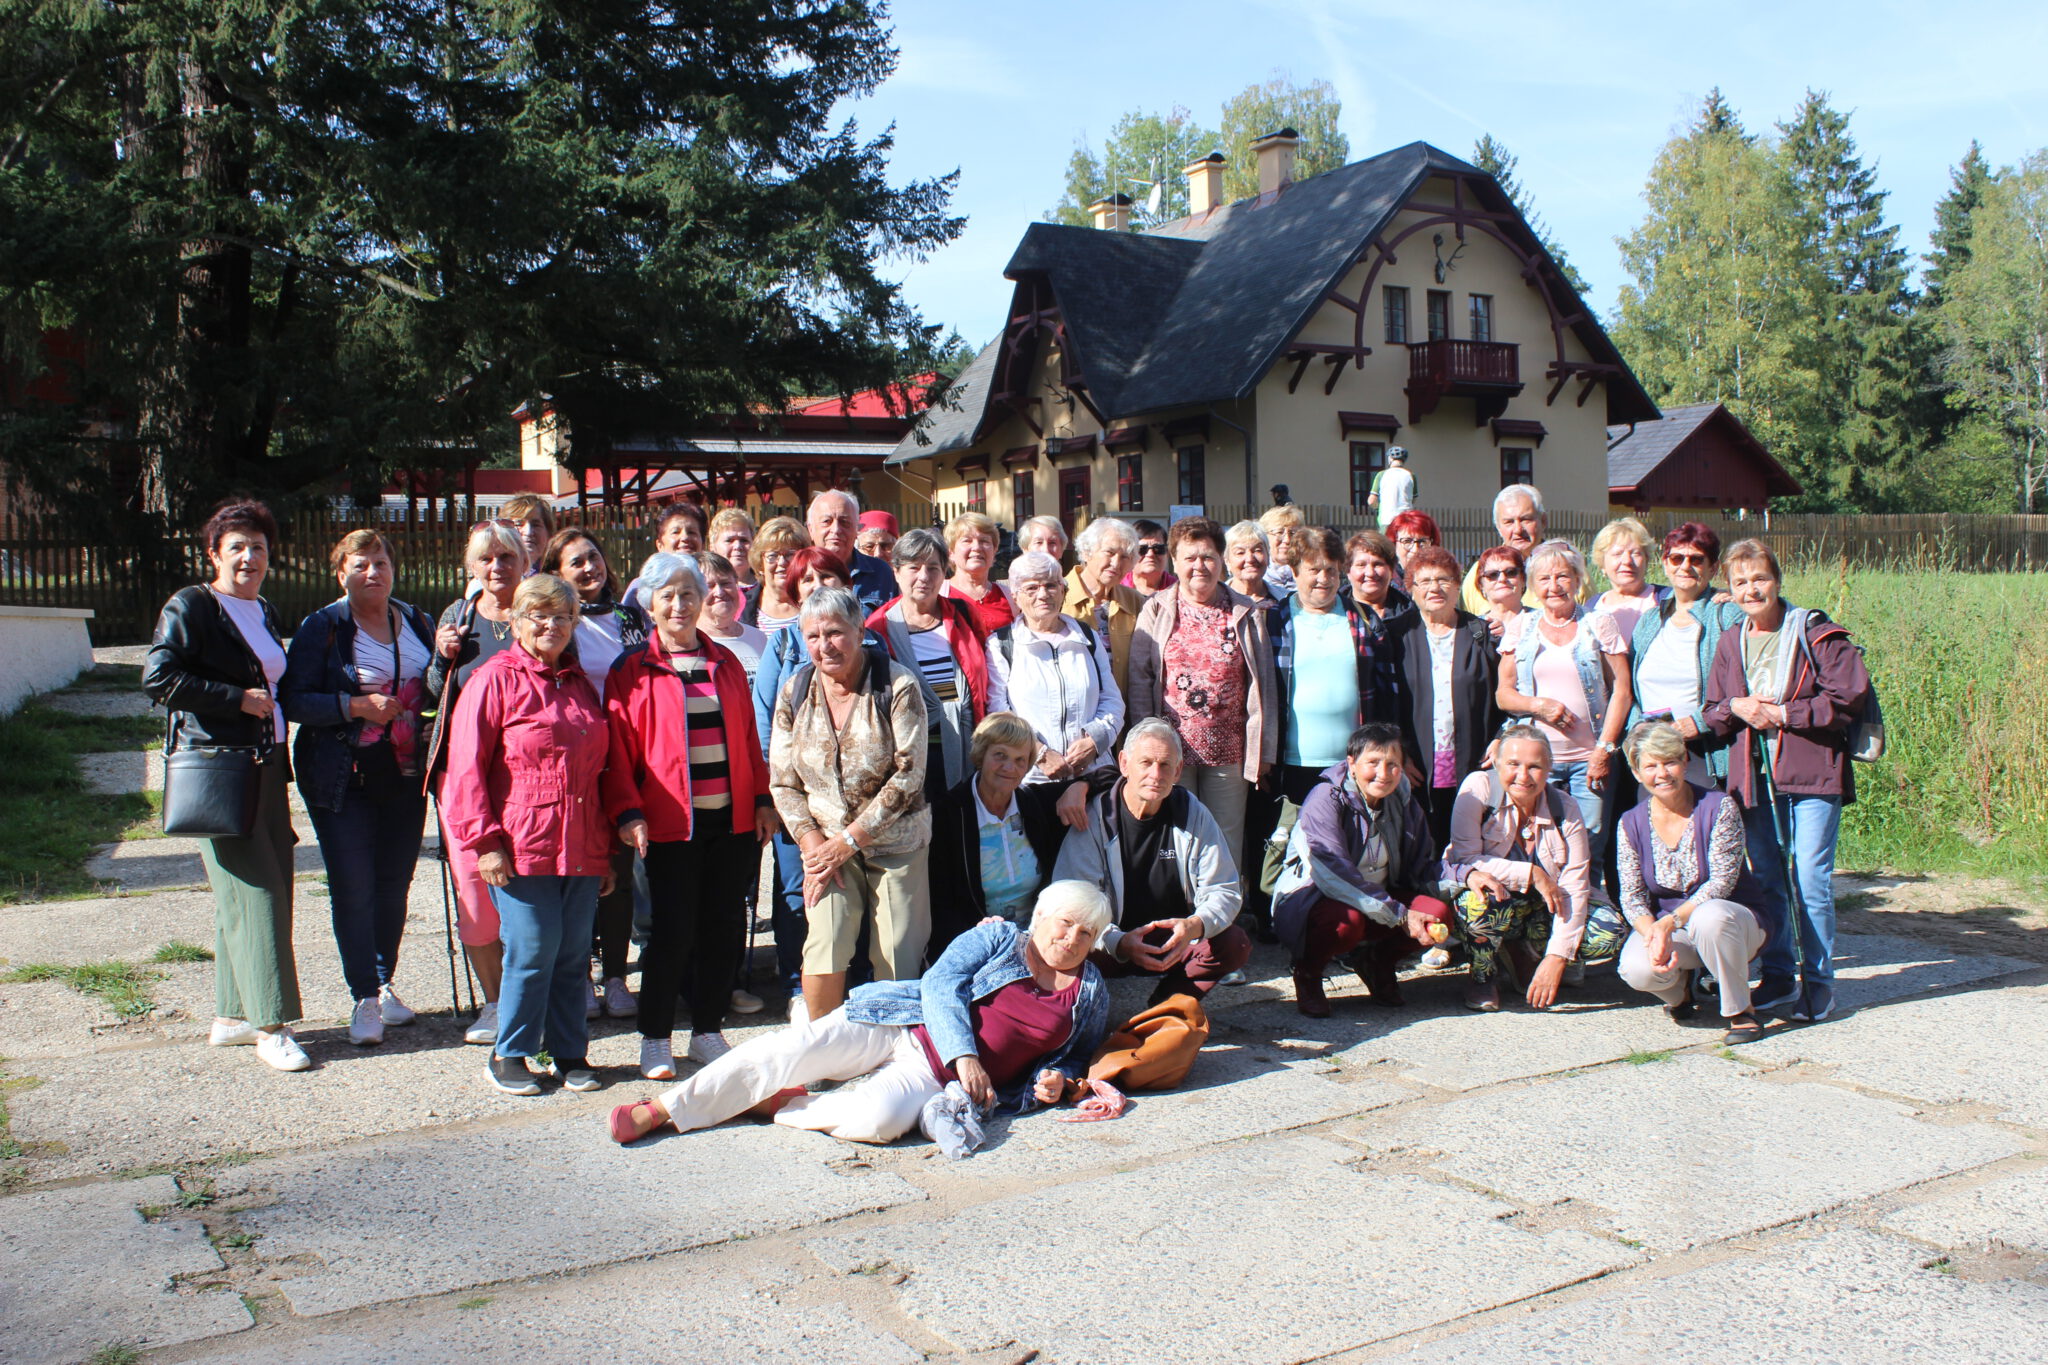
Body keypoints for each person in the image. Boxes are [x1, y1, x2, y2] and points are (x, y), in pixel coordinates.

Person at [607, 882, 1113, 1146]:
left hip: (934, 1079)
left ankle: (776, 1106)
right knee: (790, 1049)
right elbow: (940, 982)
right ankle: (664, 1110)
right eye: (1064, 924)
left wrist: (1055, 1082)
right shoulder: (1001, 937)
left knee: (876, 1122)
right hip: (901, 1022)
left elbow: (1078, 1057)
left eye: (1085, 934)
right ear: (1042, 915)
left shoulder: (1089, 994)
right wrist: (965, 1055)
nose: (1069, 940)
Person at [443, 574, 632, 1095]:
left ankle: (569, 1052)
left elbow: (600, 771)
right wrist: (483, 843)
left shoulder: (578, 684)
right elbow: (465, 770)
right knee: (531, 949)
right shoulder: (493, 679)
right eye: (539, 615)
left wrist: (606, 853)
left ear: (575, 624)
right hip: (520, 844)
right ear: (517, 621)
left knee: (572, 954)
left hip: (581, 844)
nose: (551, 625)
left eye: (563, 616)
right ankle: (511, 1052)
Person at [144, 501, 308, 1073]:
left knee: (253, 890)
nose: (248, 556)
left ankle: (233, 1015)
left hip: (264, 769)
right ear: (213, 554)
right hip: (219, 770)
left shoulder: (261, 608)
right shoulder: (192, 605)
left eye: (258, 546)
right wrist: (236, 698)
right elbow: (159, 677)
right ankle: (272, 1026)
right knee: (259, 893)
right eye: (236, 546)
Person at [606, 553, 778, 1080]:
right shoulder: (631, 669)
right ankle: (656, 1036)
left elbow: (749, 739)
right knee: (672, 931)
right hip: (668, 823)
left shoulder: (725, 662)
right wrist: (628, 811)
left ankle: (707, 1029)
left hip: (731, 822)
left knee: (723, 927)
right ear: (650, 604)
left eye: (688, 594)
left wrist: (762, 801)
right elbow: (618, 752)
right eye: (668, 595)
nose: (679, 604)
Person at [279, 529, 437, 1048]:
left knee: (394, 885)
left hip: (406, 774)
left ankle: (383, 980)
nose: (373, 572)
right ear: (340, 571)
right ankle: (363, 996)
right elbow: (295, 700)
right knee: (353, 886)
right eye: (361, 563)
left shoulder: (416, 621)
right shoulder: (322, 627)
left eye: (381, 563)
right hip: (343, 776)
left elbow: (438, 682)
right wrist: (354, 707)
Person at [1704, 539, 1871, 1026]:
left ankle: (1818, 984)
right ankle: (1778, 974)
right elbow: (1716, 709)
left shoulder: (1816, 632)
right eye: (1740, 582)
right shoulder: (1732, 640)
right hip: (1754, 779)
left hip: (1813, 773)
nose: (1751, 589)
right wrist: (1736, 707)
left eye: (1760, 578)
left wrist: (1783, 713)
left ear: (1777, 580)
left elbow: (1847, 697)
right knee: (1769, 881)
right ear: (1730, 590)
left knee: (1810, 882)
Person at [770, 587, 931, 1021]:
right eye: (814, 636)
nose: (825, 646)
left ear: (861, 632)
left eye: (836, 633)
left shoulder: (897, 685)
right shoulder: (795, 691)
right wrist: (814, 846)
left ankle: (894, 1047)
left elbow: (909, 777)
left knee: (896, 950)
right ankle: (821, 1044)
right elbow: (783, 782)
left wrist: (849, 840)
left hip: (895, 840)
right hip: (825, 845)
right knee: (826, 937)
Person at [751, 546, 876, 1001]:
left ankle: (855, 980)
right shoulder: (784, 642)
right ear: (794, 589)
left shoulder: (870, 643)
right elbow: (765, 720)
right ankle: (797, 985)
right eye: (808, 580)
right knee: (796, 890)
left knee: (851, 888)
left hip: (857, 804)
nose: (819, 587)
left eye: (829, 578)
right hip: (799, 798)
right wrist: (780, 793)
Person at [1052, 718, 1251, 1002]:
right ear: (1124, 763)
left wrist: (1194, 926)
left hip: (1175, 940)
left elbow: (1225, 889)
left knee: (1234, 943)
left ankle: (1166, 1005)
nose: (1156, 774)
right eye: (1146, 763)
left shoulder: (1192, 813)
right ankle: (1085, 1010)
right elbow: (1071, 904)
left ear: (1178, 770)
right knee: (1067, 944)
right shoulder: (1096, 817)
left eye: (1165, 765)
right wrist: (1118, 942)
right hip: (1111, 943)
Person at [422, 519, 528, 1045]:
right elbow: (434, 692)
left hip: (529, 778)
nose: (496, 567)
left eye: (506, 556)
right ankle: (495, 1002)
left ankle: (533, 996)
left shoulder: (537, 609)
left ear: (523, 561)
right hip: (465, 778)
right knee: (475, 892)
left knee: (531, 888)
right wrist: (441, 658)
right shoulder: (458, 615)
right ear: (471, 566)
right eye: (486, 559)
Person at [540, 527, 649, 1020]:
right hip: (579, 758)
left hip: (628, 754)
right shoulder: (562, 622)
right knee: (585, 869)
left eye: (593, 557)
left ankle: (616, 976)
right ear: (557, 575)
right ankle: (580, 975)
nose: (590, 568)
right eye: (576, 563)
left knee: (621, 873)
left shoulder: (631, 616)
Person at [1272, 723, 1455, 1016]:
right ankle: (1308, 973)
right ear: (1352, 764)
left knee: (1438, 913)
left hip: (1380, 898)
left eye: (1393, 764)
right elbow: (1333, 874)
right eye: (1373, 762)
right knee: (1347, 922)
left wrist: (1467, 876)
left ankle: (1376, 963)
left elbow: (1423, 864)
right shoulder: (1325, 798)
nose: (1383, 773)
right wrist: (1400, 915)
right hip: (1315, 899)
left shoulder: (1401, 800)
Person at [1127, 517, 1278, 859]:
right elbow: (1140, 680)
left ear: (1221, 560)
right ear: (1175, 562)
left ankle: (1221, 910)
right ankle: (1181, 907)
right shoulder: (1156, 609)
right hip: (1171, 751)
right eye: (1189, 557)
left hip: (1229, 750)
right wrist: (1144, 744)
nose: (1199, 566)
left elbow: (1263, 686)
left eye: (1208, 556)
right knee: (1177, 834)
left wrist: (1264, 752)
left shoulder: (1244, 611)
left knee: (1224, 839)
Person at [1615, 721, 1769, 1043]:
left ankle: (1740, 1011)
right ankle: (1680, 995)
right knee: (1635, 967)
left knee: (1708, 915)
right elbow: (1631, 897)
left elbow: (1722, 883)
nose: (1662, 773)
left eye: (1670, 761)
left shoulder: (1718, 807)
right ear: (1636, 772)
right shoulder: (1629, 823)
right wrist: (1653, 933)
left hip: (1732, 923)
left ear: (1685, 761)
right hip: (1673, 931)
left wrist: (1669, 922)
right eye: (1651, 765)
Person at [1444, 726, 1608, 1012]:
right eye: (1513, 764)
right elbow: (1464, 858)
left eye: (1534, 767)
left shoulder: (1564, 806)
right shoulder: (1479, 788)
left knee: (1609, 931)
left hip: (1538, 909)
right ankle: (1483, 976)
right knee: (1482, 900)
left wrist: (1558, 956)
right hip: (1497, 902)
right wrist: (1531, 873)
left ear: (1549, 770)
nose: (1523, 776)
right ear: (1497, 763)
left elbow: (1576, 883)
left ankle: (1528, 953)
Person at [927, 712, 1103, 950]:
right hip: (975, 941)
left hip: (1036, 939)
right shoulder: (949, 813)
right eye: (1000, 755)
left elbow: (1111, 778)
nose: (1010, 768)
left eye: (1020, 760)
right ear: (981, 755)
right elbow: (941, 903)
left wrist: (1080, 786)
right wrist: (978, 939)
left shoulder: (1033, 803)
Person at [1496, 540, 1633, 845]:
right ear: (1532, 585)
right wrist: (1538, 705)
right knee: (1539, 844)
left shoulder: (1599, 623)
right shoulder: (1522, 626)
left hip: (1590, 761)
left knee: (1590, 845)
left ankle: (1590, 895)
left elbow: (1622, 689)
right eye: (1544, 579)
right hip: (1537, 763)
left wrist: (1604, 749)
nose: (1554, 586)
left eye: (1562, 576)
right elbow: (1503, 694)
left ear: (1576, 579)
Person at [1373, 545, 1501, 854]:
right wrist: (1398, 754)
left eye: (1444, 579)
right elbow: (1380, 702)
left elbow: (1503, 695)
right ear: (1411, 589)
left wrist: (1501, 739)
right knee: (1420, 846)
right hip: (1414, 764)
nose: (1435, 588)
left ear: (1458, 585)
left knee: (1469, 842)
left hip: (1472, 760)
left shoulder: (1481, 633)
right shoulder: (1394, 635)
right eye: (1424, 580)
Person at [868, 528, 991, 797]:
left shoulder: (963, 613)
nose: (924, 577)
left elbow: (984, 674)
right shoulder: (878, 627)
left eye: (933, 568)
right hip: (911, 754)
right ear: (896, 571)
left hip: (968, 743)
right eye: (914, 567)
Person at [986, 551, 1123, 785]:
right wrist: (1039, 753)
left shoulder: (1087, 636)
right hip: (1030, 777)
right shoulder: (1001, 643)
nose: (1043, 594)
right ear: (1016, 596)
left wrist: (1094, 741)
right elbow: (999, 711)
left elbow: (1112, 700)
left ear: (1062, 590)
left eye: (1051, 585)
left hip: (1092, 774)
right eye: (1031, 588)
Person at [1628, 523, 1743, 788]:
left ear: (1713, 568)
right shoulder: (1649, 620)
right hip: (1653, 750)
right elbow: (1629, 688)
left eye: (1696, 560)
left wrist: (1699, 724)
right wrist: (1638, 730)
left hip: (1704, 751)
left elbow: (1741, 689)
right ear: (1665, 564)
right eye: (1677, 558)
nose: (1685, 566)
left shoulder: (1727, 615)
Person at [1270, 527, 1377, 804]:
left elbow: (1385, 690)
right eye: (1314, 570)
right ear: (1295, 571)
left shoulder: (1363, 619)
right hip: (1292, 764)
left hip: (1352, 764)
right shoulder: (1274, 621)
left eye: (1331, 570)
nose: (1324, 579)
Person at [1461, 484, 1580, 613]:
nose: (1518, 530)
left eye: (1526, 519)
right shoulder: (1482, 572)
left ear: (1543, 521)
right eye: (1509, 522)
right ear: (1498, 528)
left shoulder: (1569, 567)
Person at [1063, 516, 1143, 700]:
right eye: (1109, 552)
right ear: (1086, 552)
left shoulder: (1135, 602)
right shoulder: (1058, 595)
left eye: (1125, 557)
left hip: (1121, 715)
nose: (1116, 563)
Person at [807, 489, 895, 614]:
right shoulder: (799, 573)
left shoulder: (881, 573)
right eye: (827, 521)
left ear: (857, 529)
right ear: (811, 529)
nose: (836, 529)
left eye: (844, 522)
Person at [1591, 517, 1671, 640]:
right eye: (1618, 554)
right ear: (1602, 564)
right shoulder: (1592, 606)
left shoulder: (1667, 600)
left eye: (1635, 553)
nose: (1627, 561)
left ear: (1647, 559)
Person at [697, 550, 768, 685]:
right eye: (709, 586)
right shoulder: (693, 641)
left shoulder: (758, 638)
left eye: (725, 583)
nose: (719, 592)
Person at [941, 510, 1013, 635]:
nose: (977, 547)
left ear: (995, 551)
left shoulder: (1010, 597)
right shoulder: (939, 594)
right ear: (951, 552)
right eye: (967, 541)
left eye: (984, 541)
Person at [743, 515, 809, 639]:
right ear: (760, 562)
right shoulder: (742, 606)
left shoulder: (814, 602)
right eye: (773, 555)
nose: (782, 562)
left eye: (790, 554)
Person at [1344, 529, 1412, 626]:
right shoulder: (1335, 614)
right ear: (1348, 570)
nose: (1370, 573)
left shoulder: (1411, 616)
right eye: (1361, 565)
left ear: (1391, 570)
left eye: (1378, 564)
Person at [1473, 544, 1528, 640]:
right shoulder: (1473, 629)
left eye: (1511, 572)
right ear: (1481, 585)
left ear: (1523, 580)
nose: (1502, 579)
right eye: (1492, 574)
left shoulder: (1541, 622)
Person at [1225, 520, 1280, 611]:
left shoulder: (1285, 599)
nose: (1250, 559)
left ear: (1268, 555)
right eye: (1240, 552)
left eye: (1257, 550)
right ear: (1227, 561)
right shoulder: (1214, 601)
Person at [500, 493, 555, 573]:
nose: (528, 532)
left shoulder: (560, 575)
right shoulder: (496, 575)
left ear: (548, 533)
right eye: (519, 524)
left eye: (536, 525)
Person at [1257, 504, 1303, 597]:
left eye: (1293, 533)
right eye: (1279, 532)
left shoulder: (1308, 572)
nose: (1287, 540)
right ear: (1264, 537)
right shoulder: (1256, 574)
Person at [1366, 445, 1417, 529]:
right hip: (1406, 520)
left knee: (1386, 542)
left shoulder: (1381, 475)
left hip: (1387, 519)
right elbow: (1413, 499)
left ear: (1390, 458)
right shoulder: (1411, 475)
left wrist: (1379, 508)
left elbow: (1371, 501)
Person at [708, 508, 758, 590]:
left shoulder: (767, 587)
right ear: (713, 548)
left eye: (744, 540)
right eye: (729, 540)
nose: (738, 546)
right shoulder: (704, 588)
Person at [1387, 510, 1443, 581]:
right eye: (1407, 541)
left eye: (1422, 541)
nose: (1415, 550)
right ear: (1394, 544)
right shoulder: (1385, 583)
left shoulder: (1443, 580)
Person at [1125, 518, 1174, 596]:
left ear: (1167, 553)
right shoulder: (1115, 589)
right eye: (1141, 549)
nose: (1150, 554)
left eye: (1158, 548)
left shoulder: (1180, 591)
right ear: (1129, 554)